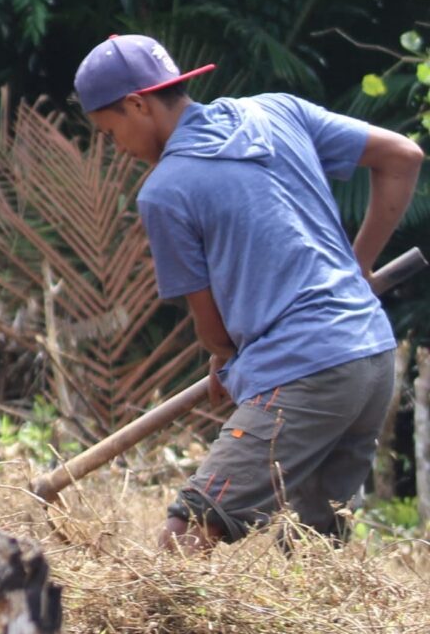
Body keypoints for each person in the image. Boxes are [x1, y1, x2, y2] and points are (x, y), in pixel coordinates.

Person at [76, 34, 422, 549]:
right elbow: (403, 156)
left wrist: (223, 356)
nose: (116, 149)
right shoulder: (276, 112)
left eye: (109, 132)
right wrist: (358, 266)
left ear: (136, 105)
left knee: (188, 532)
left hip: (305, 368)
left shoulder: (166, 191)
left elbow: (213, 330)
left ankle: (149, 633)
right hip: (370, 357)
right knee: (311, 550)